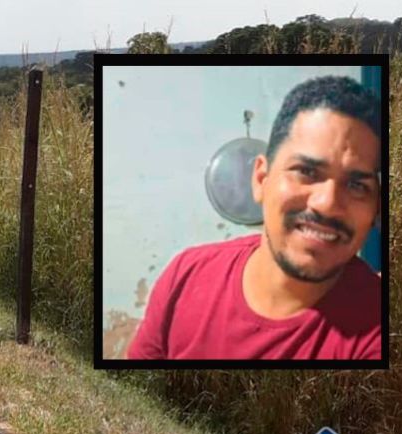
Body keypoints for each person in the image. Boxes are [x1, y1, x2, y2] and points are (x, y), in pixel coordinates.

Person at [126, 75, 382, 361]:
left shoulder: (377, 332)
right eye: (307, 172)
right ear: (261, 179)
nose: (327, 204)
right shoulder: (186, 276)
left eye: (357, 186)